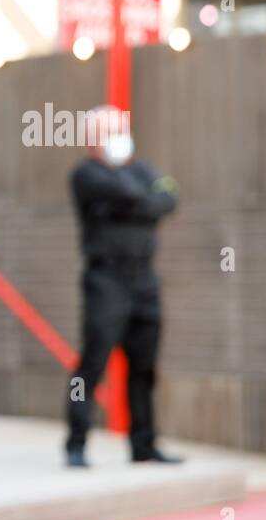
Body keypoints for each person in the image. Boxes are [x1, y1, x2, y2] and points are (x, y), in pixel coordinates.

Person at [64, 107, 183, 467]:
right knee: (92, 364)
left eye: (121, 129)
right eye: (110, 131)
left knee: (144, 367)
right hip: (105, 281)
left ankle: (143, 444)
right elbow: (132, 196)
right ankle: (77, 442)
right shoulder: (85, 175)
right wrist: (142, 200)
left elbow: (169, 196)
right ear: (91, 140)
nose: (118, 137)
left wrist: (139, 199)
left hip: (144, 280)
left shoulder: (142, 169)